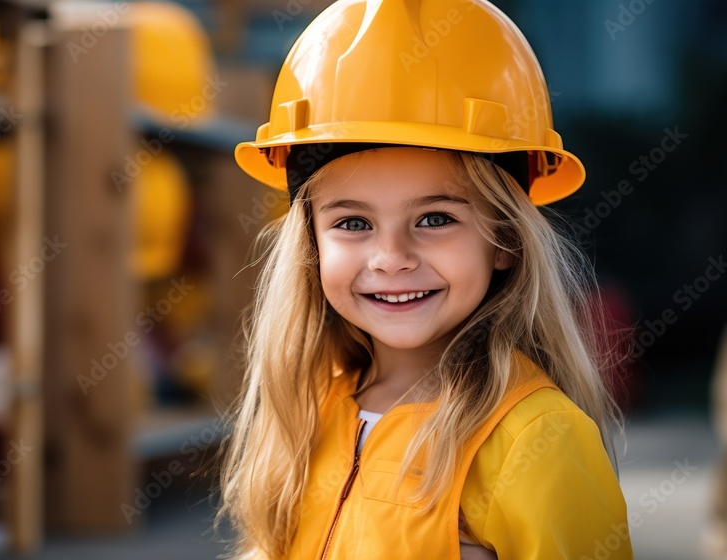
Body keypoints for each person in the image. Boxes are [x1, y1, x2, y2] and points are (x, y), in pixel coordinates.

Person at [216, 1, 633, 558]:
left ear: (505, 239)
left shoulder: (536, 441)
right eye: (353, 223)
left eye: (435, 219)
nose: (391, 257)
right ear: (311, 245)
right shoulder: (308, 411)